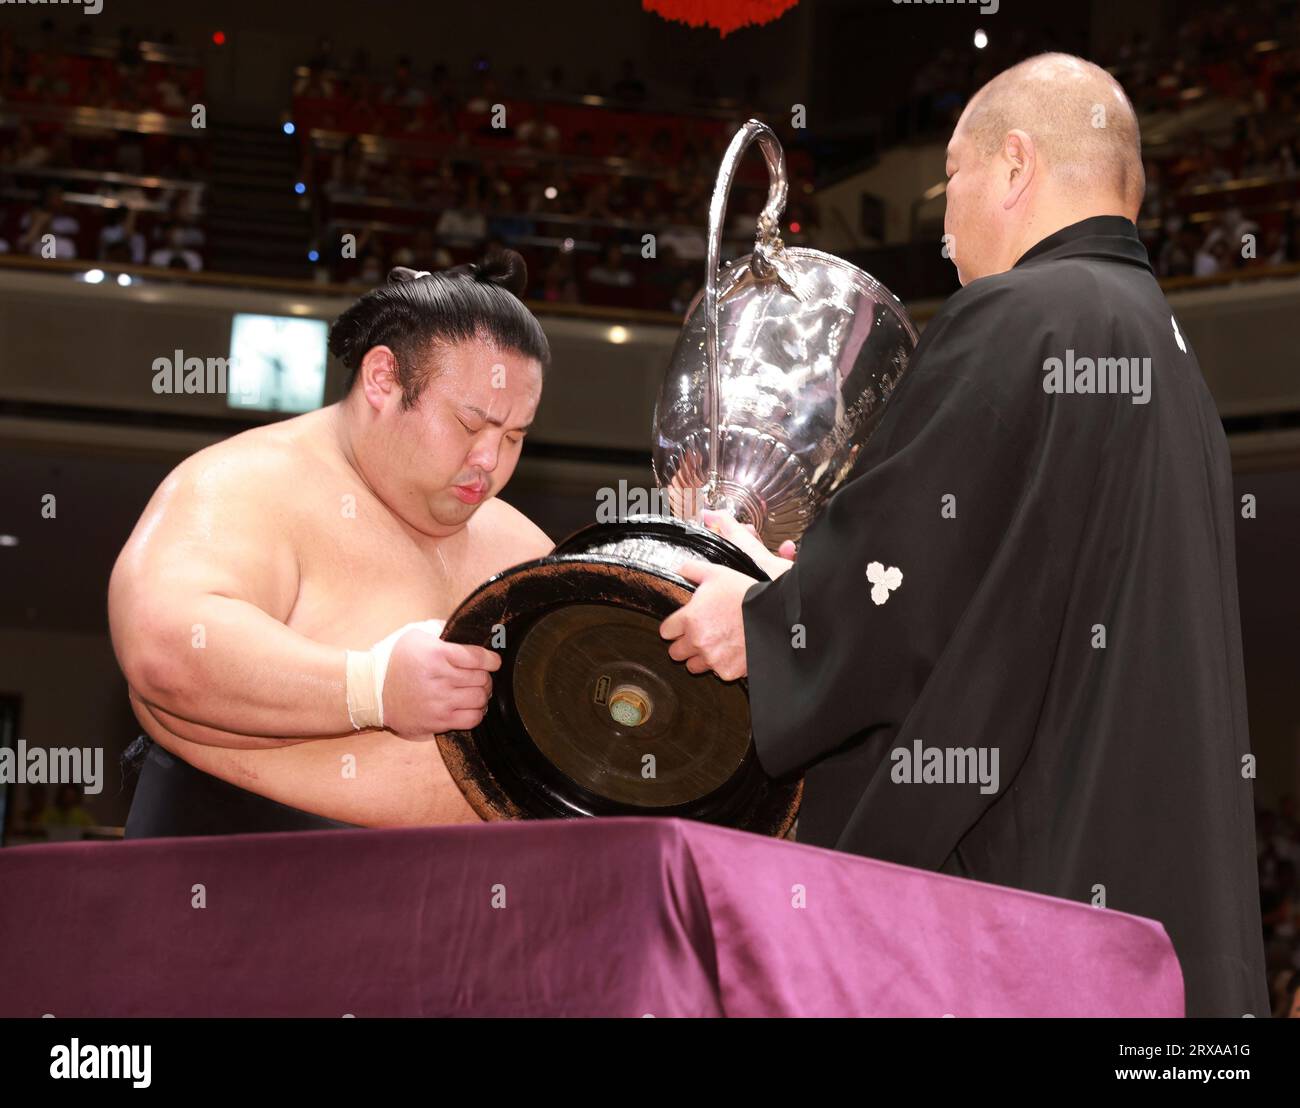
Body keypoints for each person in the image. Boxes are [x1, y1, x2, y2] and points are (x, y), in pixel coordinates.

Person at [660, 54, 1268, 1017]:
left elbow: (910, 585)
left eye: (954, 183)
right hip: (1142, 910)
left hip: (1031, 904)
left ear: (1016, 165)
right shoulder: (1169, 356)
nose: (943, 232)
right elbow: (1000, 580)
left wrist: (770, 622)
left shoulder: (1021, 314)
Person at [110, 249, 552, 836]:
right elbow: (165, 648)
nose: (489, 461)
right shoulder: (249, 483)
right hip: (245, 878)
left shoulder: (520, 543)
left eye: (514, 436)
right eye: (469, 425)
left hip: (469, 899)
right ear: (383, 380)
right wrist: (370, 687)